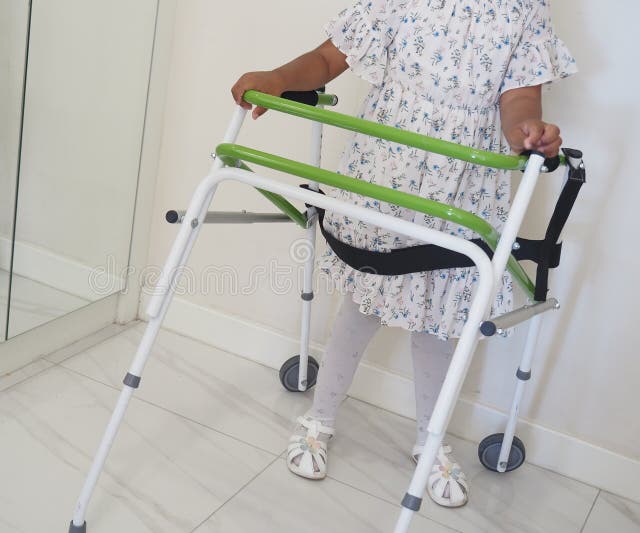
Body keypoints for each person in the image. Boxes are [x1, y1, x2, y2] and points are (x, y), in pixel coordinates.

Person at [231, 0, 576, 508]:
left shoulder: (524, 13)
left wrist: (528, 133)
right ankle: (319, 418)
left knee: (439, 319)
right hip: (386, 168)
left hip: (461, 184)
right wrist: (279, 77)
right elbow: (331, 58)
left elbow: (519, 101)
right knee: (363, 301)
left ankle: (429, 441)